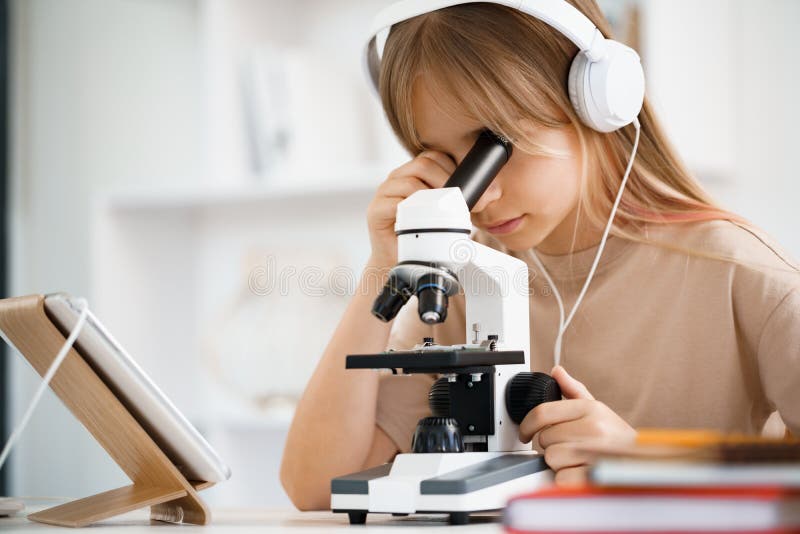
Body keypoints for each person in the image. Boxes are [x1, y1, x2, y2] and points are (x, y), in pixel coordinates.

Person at [279, 0, 800, 511]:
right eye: (442, 161)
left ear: (594, 101)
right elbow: (316, 483)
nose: (477, 196)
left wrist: (649, 464)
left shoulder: (737, 272)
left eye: (494, 147)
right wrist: (384, 263)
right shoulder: (470, 276)